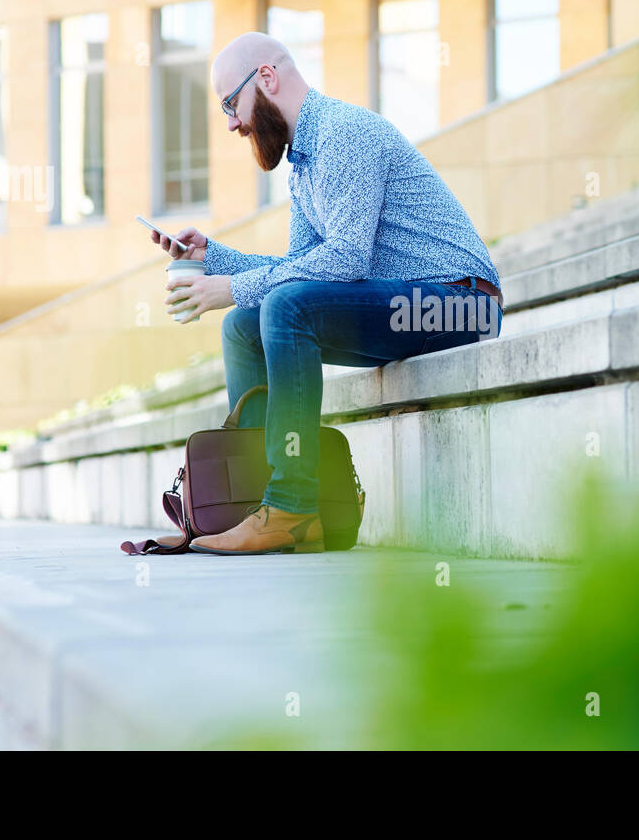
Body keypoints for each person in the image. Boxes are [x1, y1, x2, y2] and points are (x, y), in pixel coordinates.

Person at [149, 32, 503, 556]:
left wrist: (232, 286)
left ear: (266, 79)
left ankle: (291, 506)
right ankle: (253, 500)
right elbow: (299, 269)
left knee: (283, 306)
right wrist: (214, 257)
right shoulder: (305, 163)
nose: (231, 124)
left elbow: (345, 260)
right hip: (408, 304)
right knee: (245, 325)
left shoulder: (344, 133)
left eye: (231, 104)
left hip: (458, 305)